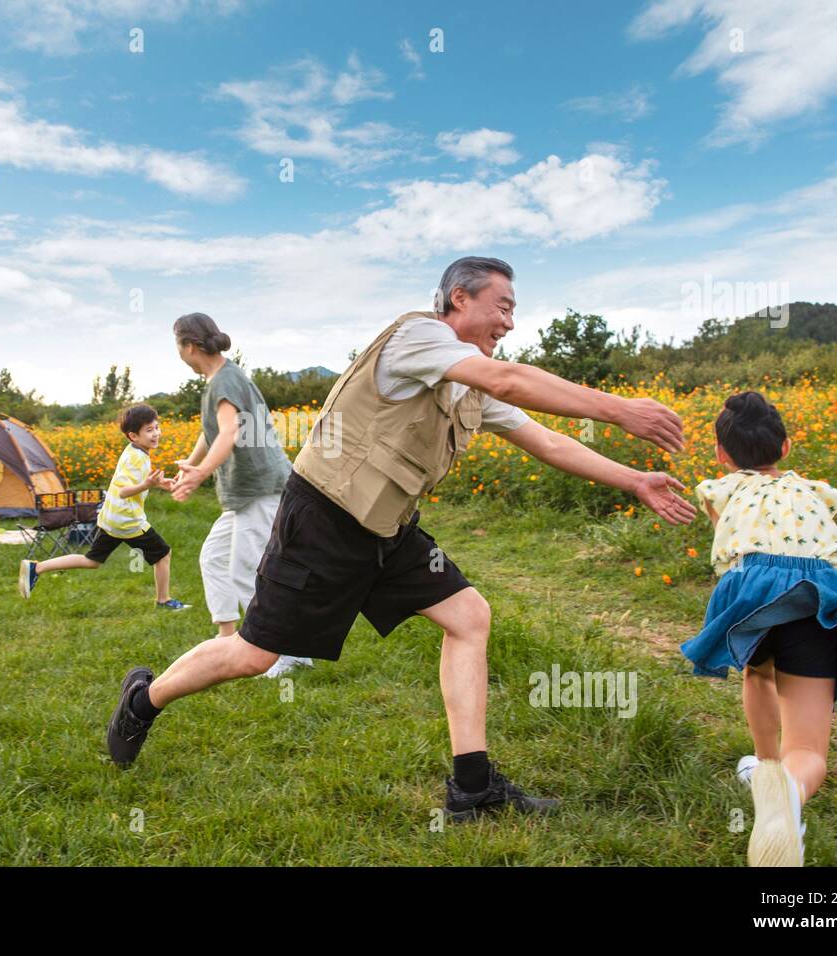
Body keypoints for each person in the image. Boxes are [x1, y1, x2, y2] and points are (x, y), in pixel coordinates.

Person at [106, 256, 696, 823]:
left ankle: (472, 790)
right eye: (503, 306)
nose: (510, 323)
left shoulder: (469, 384)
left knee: (469, 616)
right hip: (325, 518)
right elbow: (511, 380)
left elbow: (546, 442)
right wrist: (619, 410)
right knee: (254, 653)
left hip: (388, 528)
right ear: (459, 299)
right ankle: (145, 700)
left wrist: (634, 479)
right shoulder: (419, 338)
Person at [680, 392, 837, 866]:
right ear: (786, 448)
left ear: (720, 455)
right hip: (817, 595)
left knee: (758, 671)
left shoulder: (719, 488)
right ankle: (786, 786)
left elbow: (727, 524)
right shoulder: (816, 490)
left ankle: (769, 772)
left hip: (754, 594)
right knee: (809, 749)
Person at [169, 312, 312, 679]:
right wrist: (192, 462)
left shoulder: (226, 379)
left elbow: (229, 432)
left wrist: (201, 474)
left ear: (189, 346)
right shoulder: (221, 379)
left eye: (178, 346)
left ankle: (283, 653)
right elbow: (213, 430)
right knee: (213, 558)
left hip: (261, 488)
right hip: (243, 494)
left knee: (250, 570)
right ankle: (229, 638)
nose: (179, 354)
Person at [19, 404, 192, 610]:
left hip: (111, 518)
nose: (156, 433)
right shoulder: (136, 457)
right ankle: (164, 601)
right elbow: (124, 490)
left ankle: (36, 568)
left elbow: (135, 479)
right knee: (163, 554)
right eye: (149, 430)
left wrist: (159, 483)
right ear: (133, 436)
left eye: (156, 427)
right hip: (127, 521)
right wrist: (147, 485)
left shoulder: (135, 451)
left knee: (92, 560)